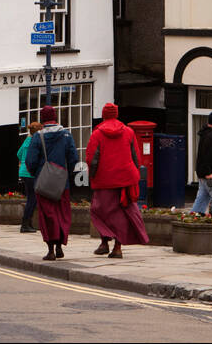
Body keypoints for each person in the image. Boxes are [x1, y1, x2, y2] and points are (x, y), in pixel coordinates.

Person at [86, 103, 150, 259]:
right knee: (122, 212)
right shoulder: (128, 132)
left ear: (103, 115)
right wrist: (135, 173)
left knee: (99, 211)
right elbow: (136, 155)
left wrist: (92, 176)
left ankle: (104, 242)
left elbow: (92, 158)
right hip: (125, 179)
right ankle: (117, 246)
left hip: (104, 179)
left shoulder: (97, 134)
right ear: (116, 114)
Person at [24, 104, 79, 261]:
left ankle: (51, 250)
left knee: (48, 215)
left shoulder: (37, 137)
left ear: (43, 118)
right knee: (62, 213)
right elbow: (74, 159)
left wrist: (38, 175)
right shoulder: (66, 135)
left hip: (44, 183)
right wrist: (64, 173)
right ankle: (60, 246)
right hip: (63, 184)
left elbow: (30, 161)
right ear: (55, 117)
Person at [17, 120, 43, 233]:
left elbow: (18, 153)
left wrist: (22, 161)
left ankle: (28, 223)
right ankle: (25, 224)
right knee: (32, 199)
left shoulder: (27, 140)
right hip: (30, 172)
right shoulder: (35, 141)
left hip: (23, 171)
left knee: (31, 198)